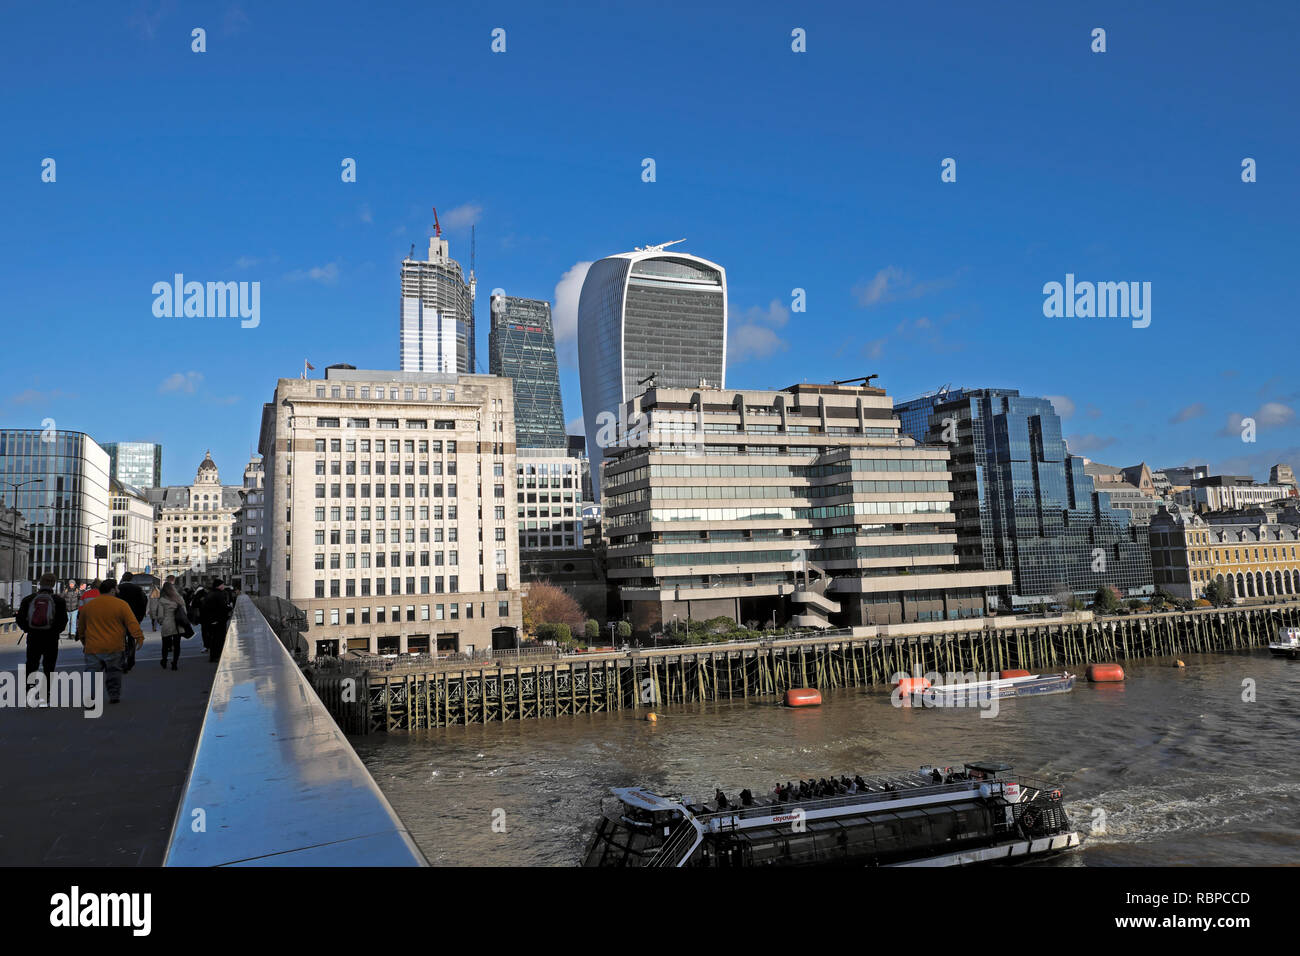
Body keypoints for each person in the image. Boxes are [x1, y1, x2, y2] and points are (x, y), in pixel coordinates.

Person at [76, 578, 144, 705]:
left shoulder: (89, 607)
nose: (118, 590)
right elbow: (132, 623)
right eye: (117, 588)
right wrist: (139, 637)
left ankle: (90, 697)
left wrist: (84, 641)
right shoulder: (121, 605)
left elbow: (81, 628)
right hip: (114, 646)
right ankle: (114, 695)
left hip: (93, 646)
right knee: (113, 672)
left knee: (91, 672)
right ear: (112, 590)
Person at [16, 572, 70, 689]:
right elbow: (63, 620)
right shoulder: (59, 601)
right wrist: (55, 631)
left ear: (40, 583)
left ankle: (29, 689)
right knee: (49, 666)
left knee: (31, 663)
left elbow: (20, 618)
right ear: (54, 584)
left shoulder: (29, 599)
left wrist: (28, 629)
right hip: (51, 637)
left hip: (34, 636)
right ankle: (45, 693)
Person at [157, 581, 189, 671]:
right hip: (178, 624)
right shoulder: (180, 599)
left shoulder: (162, 600)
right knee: (177, 644)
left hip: (167, 623)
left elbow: (160, 615)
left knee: (165, 644)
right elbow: (185, 612)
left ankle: (164, 660)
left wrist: (160, 621)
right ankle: (174, 663)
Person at [200, 578, 232, 662]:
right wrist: (229, 607)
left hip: (211, 620)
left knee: (214, 638)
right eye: (222, 584)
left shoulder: (210, 593)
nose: (224, 586)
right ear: (219, 586)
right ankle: (217, 656)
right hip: (219, 620)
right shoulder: (219, 594)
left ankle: (213, 656)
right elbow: (223, 607)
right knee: (219, 639)